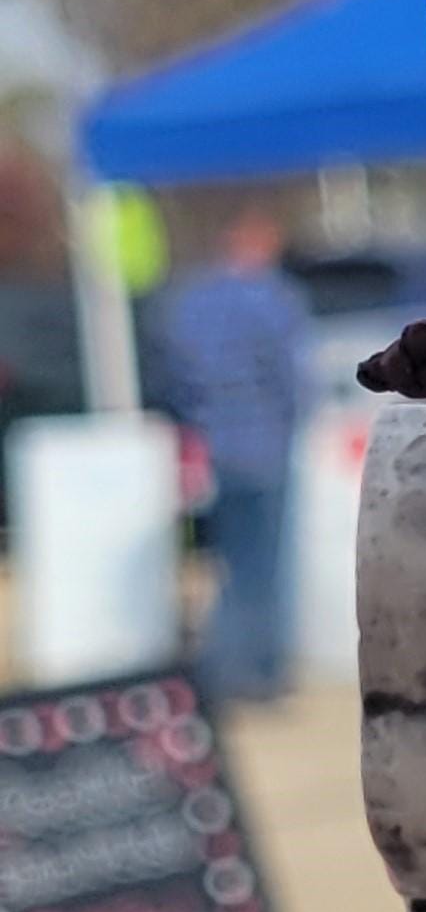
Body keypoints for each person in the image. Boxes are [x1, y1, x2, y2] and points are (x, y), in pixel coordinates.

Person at [155, 210, 310, 702]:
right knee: (264, 565)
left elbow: (175, 374)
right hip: (266, 445)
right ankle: (261, 672)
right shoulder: (274, 299)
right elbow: (293, 378)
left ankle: (222, 667)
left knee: (230, 561)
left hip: (217, 447)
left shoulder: (192, 302)